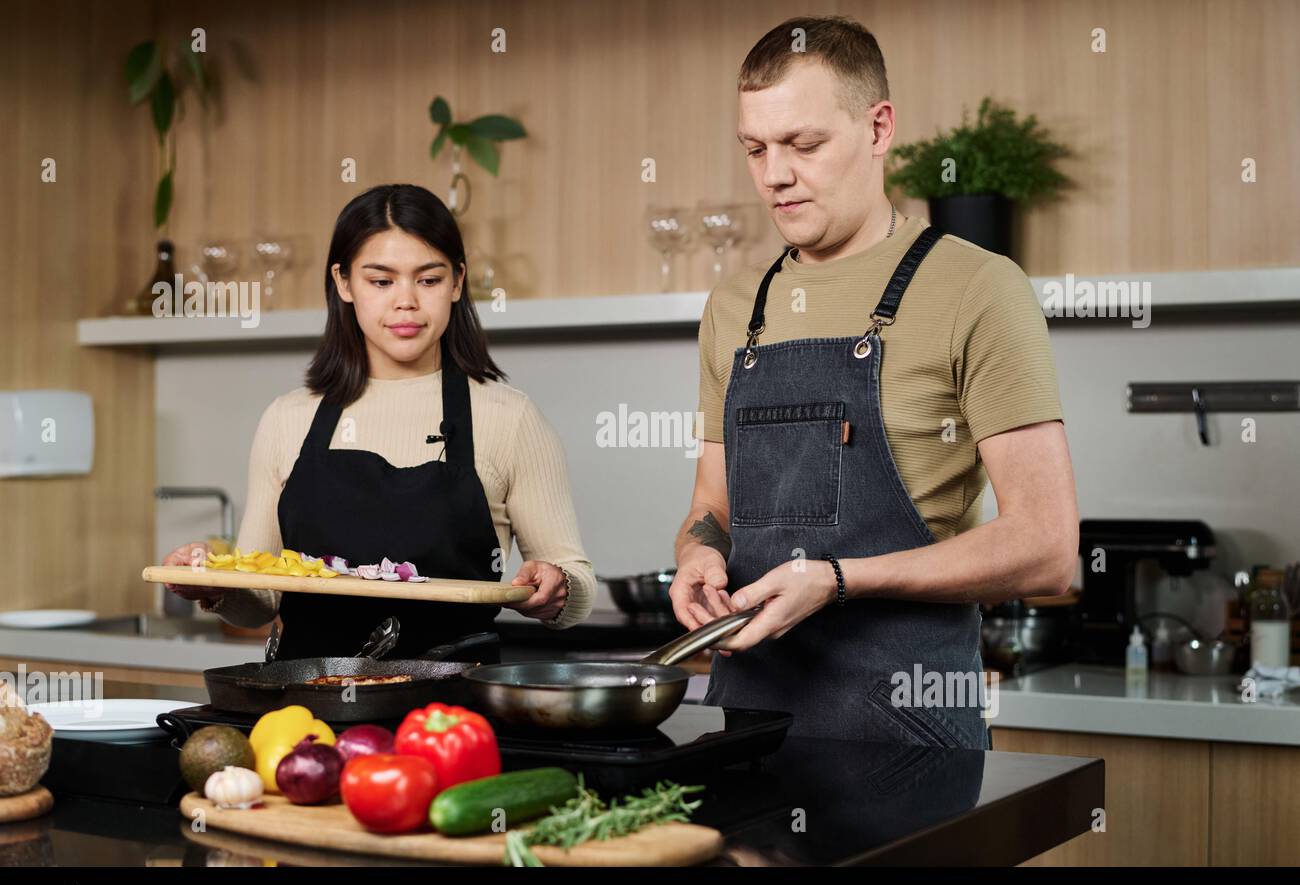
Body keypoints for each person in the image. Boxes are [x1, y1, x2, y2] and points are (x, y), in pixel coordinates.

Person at [670, 17, 1078, 747]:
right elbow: (712, 504)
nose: (775, 175)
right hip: (748, 724)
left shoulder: (978, 287)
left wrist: (838, 579)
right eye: (755, 149)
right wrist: (697, 554)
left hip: (907, 727)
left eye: (805, 144)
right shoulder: (735, 310)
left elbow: (1047, 547)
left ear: (879, 127)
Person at [164, 183, 594, 656]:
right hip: (309, 705)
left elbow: (574, 580)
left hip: (448, 717)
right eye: (381, 281)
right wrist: (214, 584)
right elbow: (262, 597)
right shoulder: (289, 418)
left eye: (428, 280)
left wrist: (559, 588)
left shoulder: (510, 418)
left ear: (456, 283)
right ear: (344, 283)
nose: (405, 301)